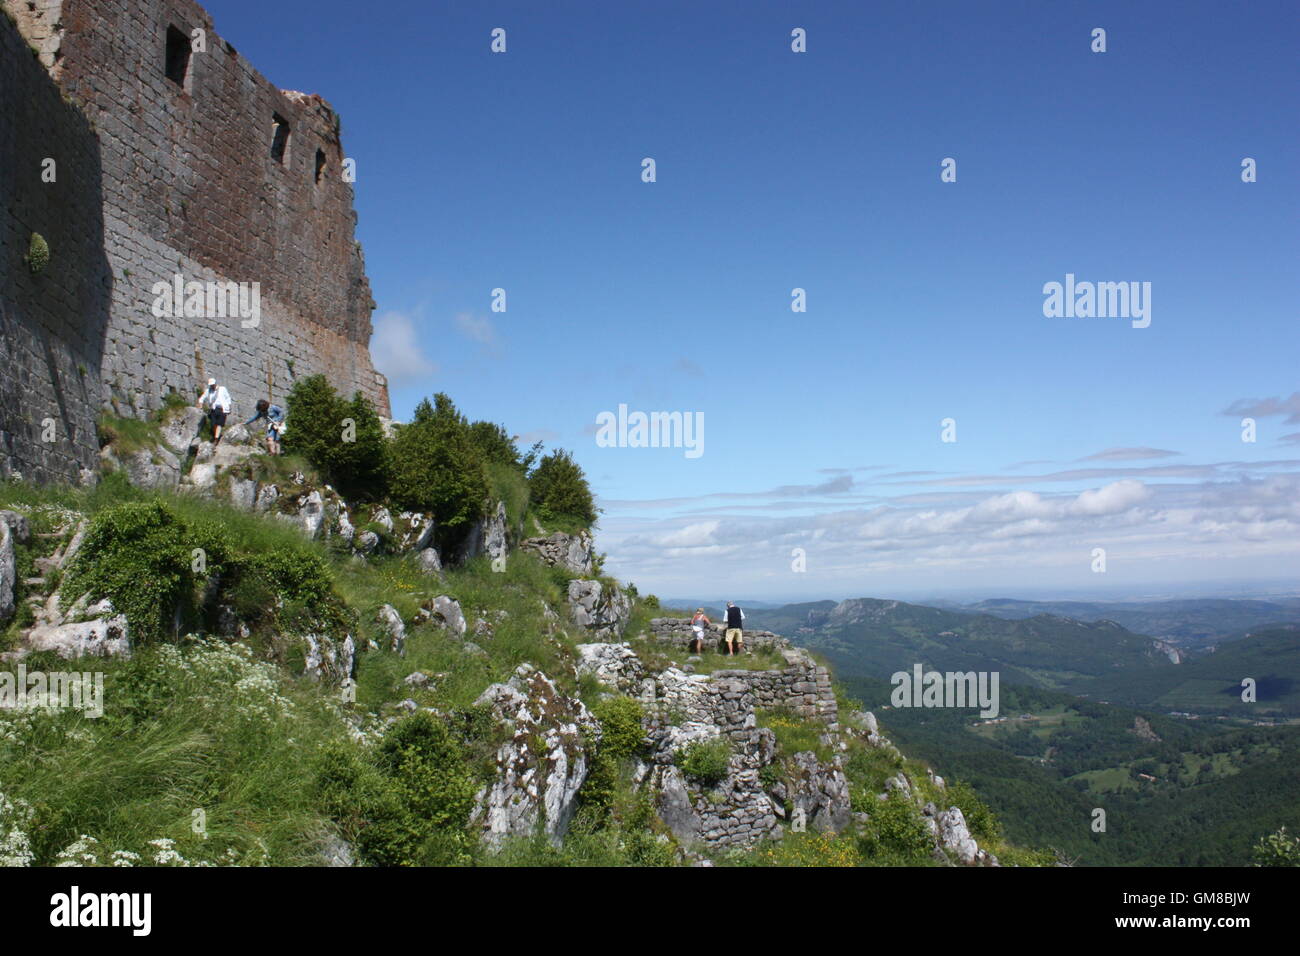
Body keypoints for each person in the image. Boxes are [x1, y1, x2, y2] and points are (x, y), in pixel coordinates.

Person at [198, 378, 233, 445]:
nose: (212, 386)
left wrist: (229, 407)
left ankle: (216, 439)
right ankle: (217, 435)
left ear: (215, 383)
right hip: (214, 409)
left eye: (213, 384)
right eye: (211, 385)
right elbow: (202, 398)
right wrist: (200, 404)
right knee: (214, 424)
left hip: (223, 409)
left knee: (219, 424)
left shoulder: (222, 389)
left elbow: (228, 398)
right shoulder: (208, 391)